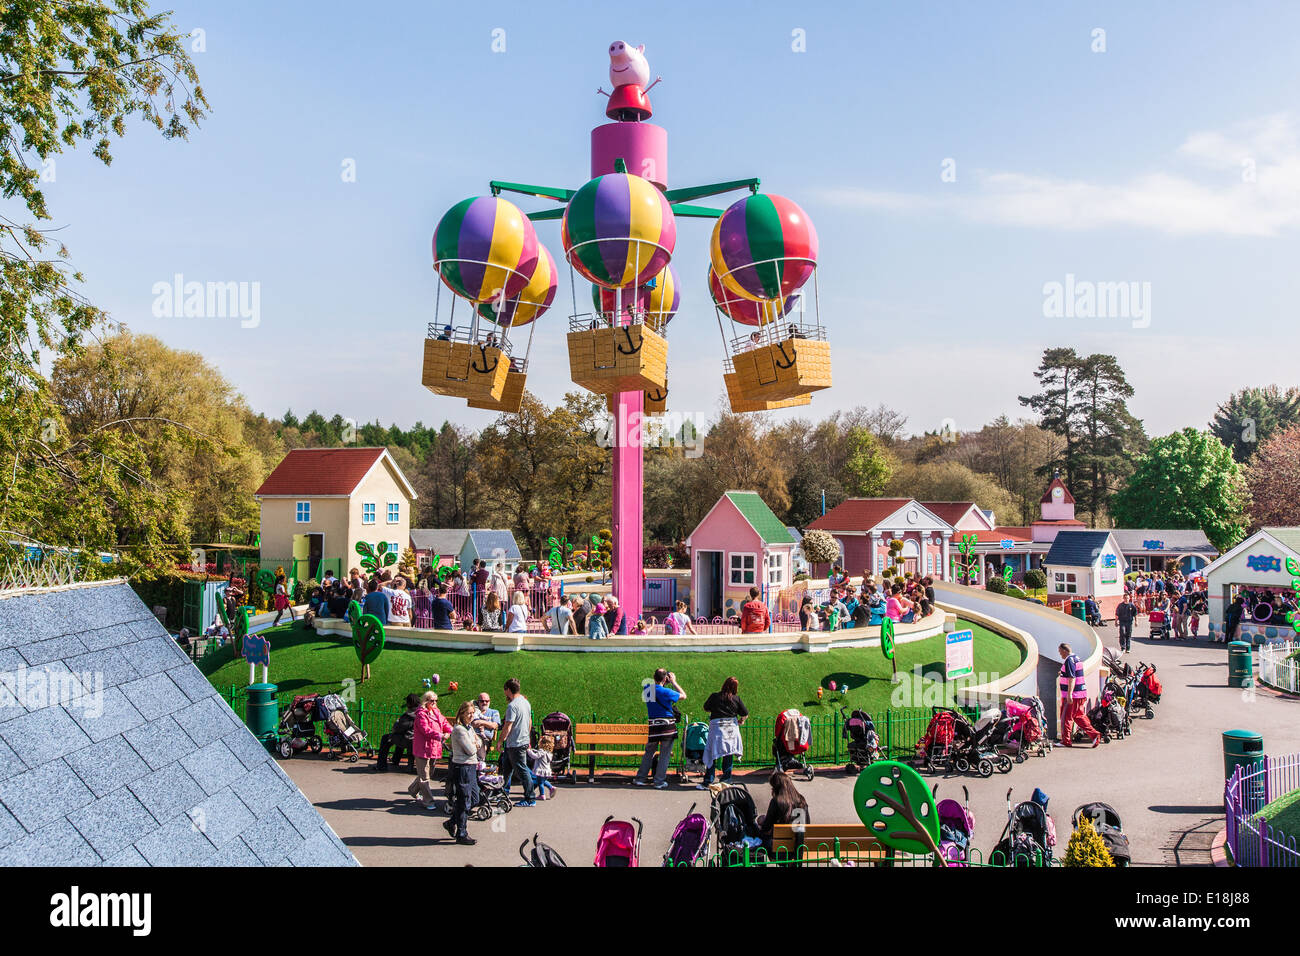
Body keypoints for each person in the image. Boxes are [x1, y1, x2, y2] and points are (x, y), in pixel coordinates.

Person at [635, 668, 685, 789]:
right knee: (665, 754)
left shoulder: (647, 689)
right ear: (665, 678)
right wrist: (674, 682)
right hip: (667, 726)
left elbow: (656, 689)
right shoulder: (667, 692)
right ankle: (658, 781)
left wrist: (663, 682)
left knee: (649, 752)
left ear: (654, 677)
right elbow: (683, 696)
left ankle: (640, 778)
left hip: (653, 725)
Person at [699, 676, 748, 788]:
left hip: (717, 729)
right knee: (728, 753)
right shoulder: (736, 699)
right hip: (731, 730)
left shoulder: (715, 696)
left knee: (712, 754)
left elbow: (706, 707)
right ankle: (726, 780)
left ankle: (708, 780)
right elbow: (745, 713)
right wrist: (742, 720)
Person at [407, 691, 453, 809]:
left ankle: (413, 790)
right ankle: (428, 801)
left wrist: (451, 731)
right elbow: (425, 729)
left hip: (434, 748)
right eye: (432, 700)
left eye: (436, 700)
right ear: (426, 701)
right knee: (424, 777)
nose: (434, 703)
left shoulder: (436, 712)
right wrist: (440, 735)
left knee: (429, 772)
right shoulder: (421, 714)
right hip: (422, 748)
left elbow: (445, 723)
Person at [445, 701, 480, 845]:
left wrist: (476, 744)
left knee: (475, 798)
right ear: (462, 714)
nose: (471, 716)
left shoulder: (469, 729)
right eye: (468, 713)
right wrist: (476, 744)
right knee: (464, 799)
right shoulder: (459, 730)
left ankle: (452, 822)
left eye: (473, 713)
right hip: (462, 767)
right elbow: (471, 749)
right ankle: (462, 832)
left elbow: (479, 743)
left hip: (471, 766)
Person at [499, 678, 537, 806]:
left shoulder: (512, 706)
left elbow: (508, 726)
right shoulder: (525, 702)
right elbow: (529, 722)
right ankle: (503, 792)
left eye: (505, 690)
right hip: (520, 741)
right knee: (506, 768)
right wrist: (528, 736)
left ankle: (530, 797)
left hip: (516, 743)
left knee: (522, 770)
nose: (504, 693)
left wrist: (500, 741)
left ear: (508, 690)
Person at [757, 771, 810, 856]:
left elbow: (766, 828)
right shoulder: (801, 800)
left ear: (776, 787)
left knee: (759, 835)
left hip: (780, 849)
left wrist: (762, 822)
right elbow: (806, 824)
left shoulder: (776, 801)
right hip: (799, 847)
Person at [1057, 643, 1099, 748]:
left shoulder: (1068, 660)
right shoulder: (1076, 658)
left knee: (1066, 717)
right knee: (1079, 716)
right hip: (1081, 694)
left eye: (1060, 651)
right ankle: (1094, 735)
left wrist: (1069, 694)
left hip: (1073, 695)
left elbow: (1072, 677)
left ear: (1064, 650)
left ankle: (1065, 741)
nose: (1060, 654)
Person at [377, 693, 419, 772]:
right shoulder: (422, 712)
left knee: (386, 738)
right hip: (416, 739)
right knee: (400, 736)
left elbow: (398, 728)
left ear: (409, 703)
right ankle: (395, 760)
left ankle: (381, 765)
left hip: (409, 739)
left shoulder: (409, 715)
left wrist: (397, 722)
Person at [527, 734, 557, 800]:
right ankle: (551, 787)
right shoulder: (548, 752)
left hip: (541, 770)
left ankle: (542, 795)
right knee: (543, 781)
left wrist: (529, 750)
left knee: (540, 783)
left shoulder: (541, 751)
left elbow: (535, 756)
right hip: (546, 770)